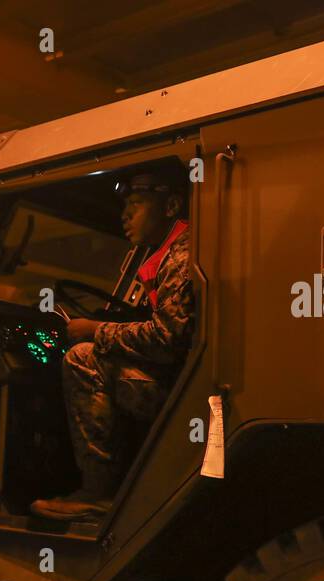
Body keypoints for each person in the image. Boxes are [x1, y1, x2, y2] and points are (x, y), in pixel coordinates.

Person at [31, 168, 196, 520]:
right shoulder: (169, 253)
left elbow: (167, 340)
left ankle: (99, 493)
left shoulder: (181, 256)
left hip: (186, 394)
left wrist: (95, 330)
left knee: (82, 359)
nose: (124, 214)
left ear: (170, 206)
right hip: (186, 383)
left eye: (135, 204)